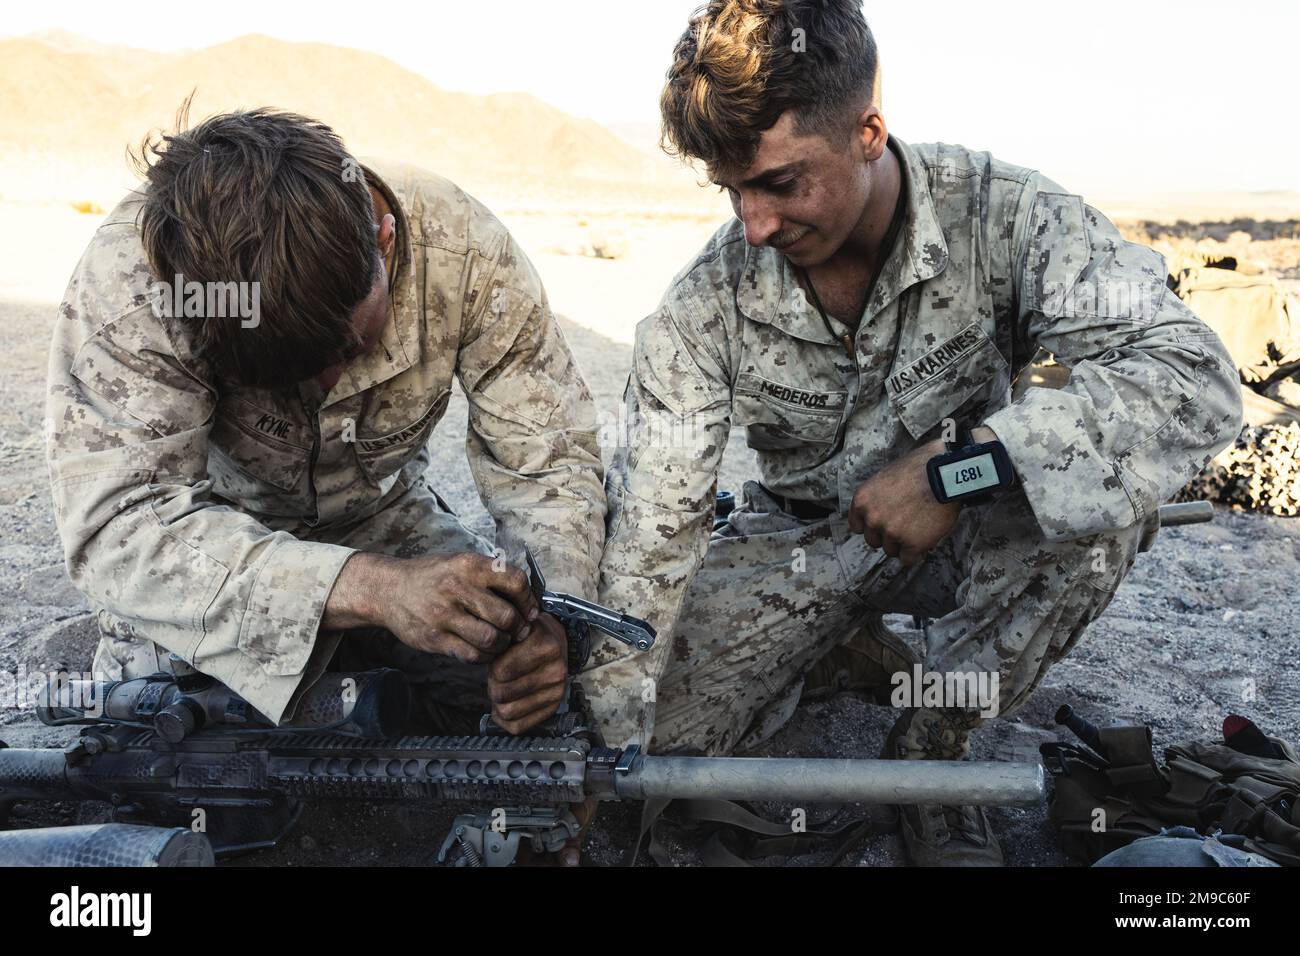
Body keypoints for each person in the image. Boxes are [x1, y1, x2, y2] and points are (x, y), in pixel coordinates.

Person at [584, 0, 1243, 865]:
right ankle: (840, 647)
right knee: (650, 736)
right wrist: (607, 732)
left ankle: (932, 743)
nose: (754, 225)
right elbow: (650, 539)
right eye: (730, 188)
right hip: (798, 543)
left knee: (1101, 513)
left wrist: (955, 474)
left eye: (780, 182)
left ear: (868, 131)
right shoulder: (706, 303)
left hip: (973, 528)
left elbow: (1193, 382)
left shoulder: (1008, 218)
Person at [46, 108, 606, 750]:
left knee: (525, 693)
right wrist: (368, 589)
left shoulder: (468, 254)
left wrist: (555, 620)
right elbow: (119, 525)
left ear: (385, 240)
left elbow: (547, 465)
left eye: (348, 345)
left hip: (376, 521)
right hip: (210, 540)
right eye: (290, 369)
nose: (327, 381)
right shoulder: (142, 280)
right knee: (158, 726)